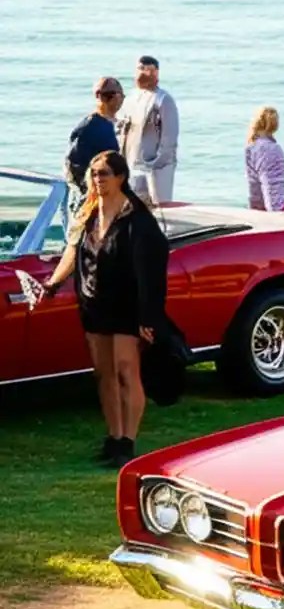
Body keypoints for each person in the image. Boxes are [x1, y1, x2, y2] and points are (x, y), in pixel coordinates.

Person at [38, 151, 169, 467]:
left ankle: (128, 441)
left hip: (127, 305)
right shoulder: (88, 214)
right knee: (104, 374)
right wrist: (53, 284)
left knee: (126, 370)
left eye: (104, 173)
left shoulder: (137, 219)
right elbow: (72, 253)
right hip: (94, 302)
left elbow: (153, 268)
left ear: (120, 177)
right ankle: (113, 437)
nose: (98, 179)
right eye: (94, 173)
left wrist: (149, 316)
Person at [117, 55, 178, 205]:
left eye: (150, 70)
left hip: (154, 167)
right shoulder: (131, 98)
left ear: (157, 73)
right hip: (131, 164)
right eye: (141, 69)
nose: (145, 74)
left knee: (159, 211)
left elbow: (170, 138)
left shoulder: (163, 99)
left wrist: (156, 163)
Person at [65, 77, 124, 212]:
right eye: (122, 96)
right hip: (93, 199)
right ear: (115, 97)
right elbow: (74, 166)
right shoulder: (91, 127)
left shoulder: (108, 125)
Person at [245, 106, 284, 211]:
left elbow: (254, 187)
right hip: (274, 212)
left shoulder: (251, 146)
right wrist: (277, 215)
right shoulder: (271, 149)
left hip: (257, 209)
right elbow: (272, 185)